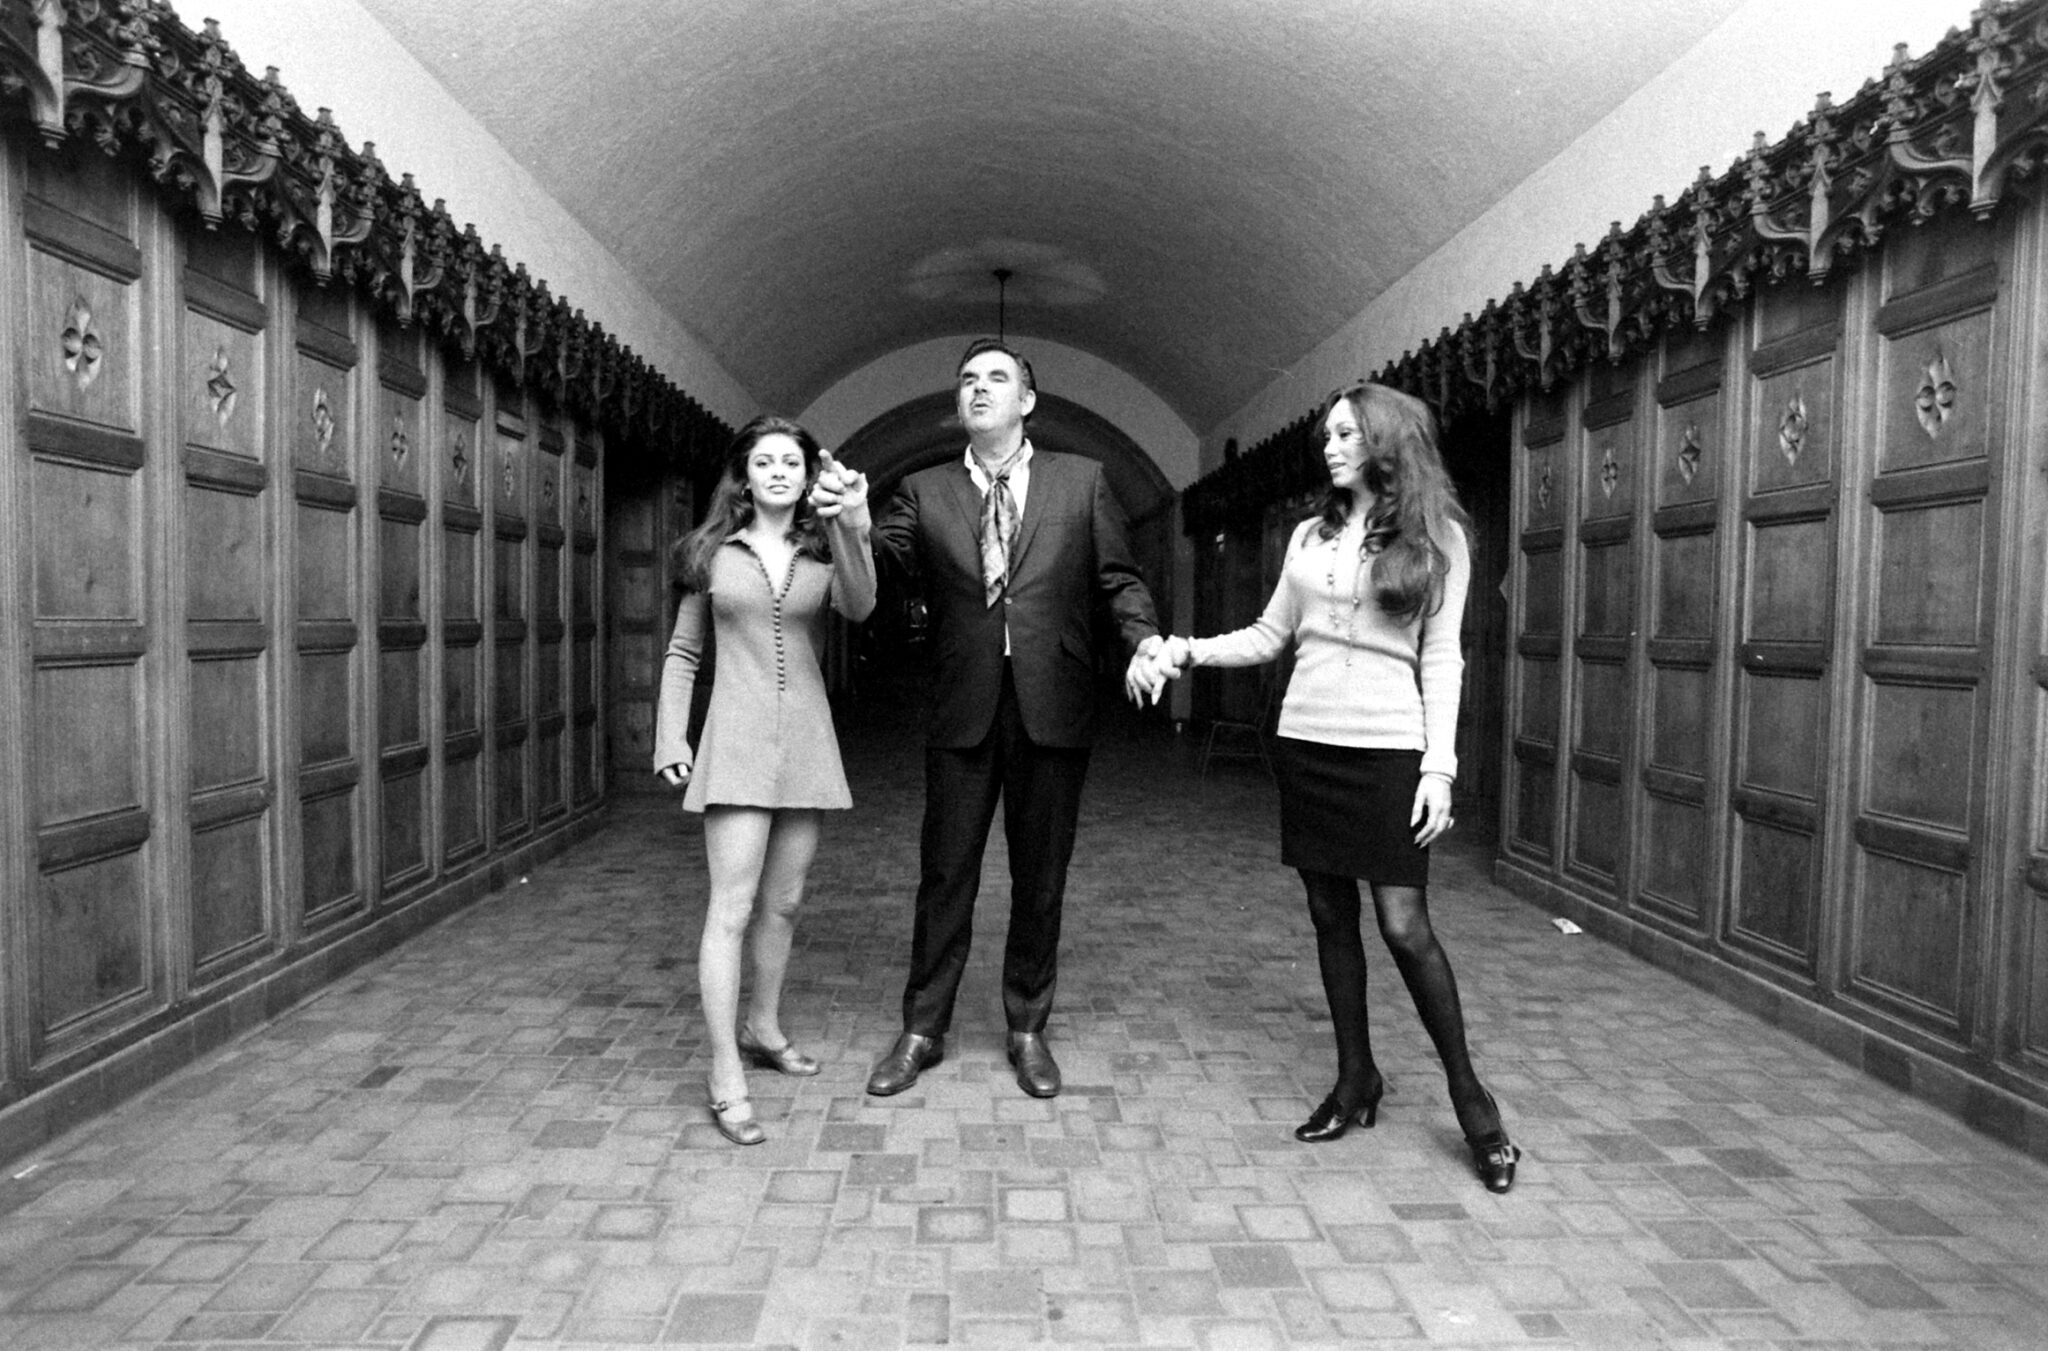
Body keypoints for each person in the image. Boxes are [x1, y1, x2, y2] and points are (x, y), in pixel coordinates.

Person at [1149, 382, 1519, 1193]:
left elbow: (1443, 657)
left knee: (1404, 924)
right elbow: (1268, 635)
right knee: (1328, 914)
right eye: (1327, 434)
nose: (1331, 445)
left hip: (1389, 752)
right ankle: (1356, 1077)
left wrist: (1440, 767)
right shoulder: (1307, 535)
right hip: (1307, 745)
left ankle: (1472, 1100)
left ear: (1386, 441)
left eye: (1346, 433)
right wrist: (1185, 649)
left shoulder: (1440, 537)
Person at [809, 338, 1168, 1099]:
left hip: (1054, 702)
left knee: (1041, 876)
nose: (979, 388)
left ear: (1026, 401)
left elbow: (1118, 578)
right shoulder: (923, 489)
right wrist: (856, 521)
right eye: (968, 379)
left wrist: (1143, 640)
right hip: (961, 704)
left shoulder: (1083, 481)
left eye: (997, 378)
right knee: (945, 873)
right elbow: (886, 570)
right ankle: (922, 1028)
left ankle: (1028, 1026)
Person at [653, 414, 877, 1145]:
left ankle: (763, 1026)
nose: (779, 471)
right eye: (765, 461)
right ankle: (725, 1068)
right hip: (738, 744)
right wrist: (671, 735)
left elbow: (861, 604)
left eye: (792, 462)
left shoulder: (823, 550)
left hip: (807, 743)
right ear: (744, 477)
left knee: (784, 904)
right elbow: (684, 652)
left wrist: (851, 524)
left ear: (809, 478)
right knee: (732, 907)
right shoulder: (712, 553)